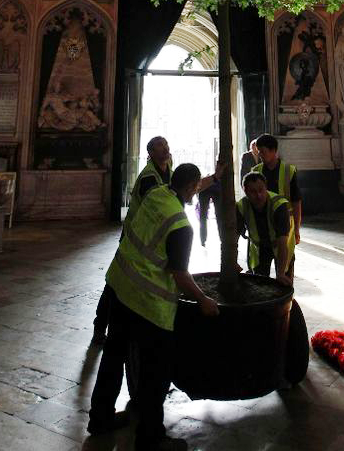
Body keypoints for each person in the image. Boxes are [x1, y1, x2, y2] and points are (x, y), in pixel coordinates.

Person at [88, 163, 219, 451]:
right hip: (149, 305)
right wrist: (203, 300)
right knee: (155, 374)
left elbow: (189, 185)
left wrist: (215, 176)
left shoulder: (156, 194)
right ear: (190, 188)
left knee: (113, 356)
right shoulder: (181, 227)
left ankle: (99, 418)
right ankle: (150, 438)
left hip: (120, 286)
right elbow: (180, 275)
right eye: (196, 187)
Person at [92, 135, 220, 345]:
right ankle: (100, 325)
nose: (165, 149)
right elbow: (169, 202)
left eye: (166, 145)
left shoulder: (169, 168)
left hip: (153, 234)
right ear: (150, 153)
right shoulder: (149, 178)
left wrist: (215, 177)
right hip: (139, 233)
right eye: (160, 147)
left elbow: (187, 187)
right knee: (115, 285)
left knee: (121, 281)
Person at [237, 172, 294, 284]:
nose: (258, 195)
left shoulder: (279, 205)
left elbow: (282, 242)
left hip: (282, 247)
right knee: (259, 283)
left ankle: (288, 301)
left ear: (266, 188)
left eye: (261, 190)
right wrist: (233, 261)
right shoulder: (241, 206)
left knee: (285, 284)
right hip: (260, 249)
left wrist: (281, 273)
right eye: (253, 192)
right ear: (245, 191)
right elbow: (233, 238)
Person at [252, 134, 302, 245]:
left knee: (285, 259)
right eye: (258, 151)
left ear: (273, 150)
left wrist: (297, 229)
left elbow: (296, 202)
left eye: (263, 152)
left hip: (284, 224)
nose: (260, 155)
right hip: (262, 224)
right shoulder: (256, 171)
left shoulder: (289, 171)